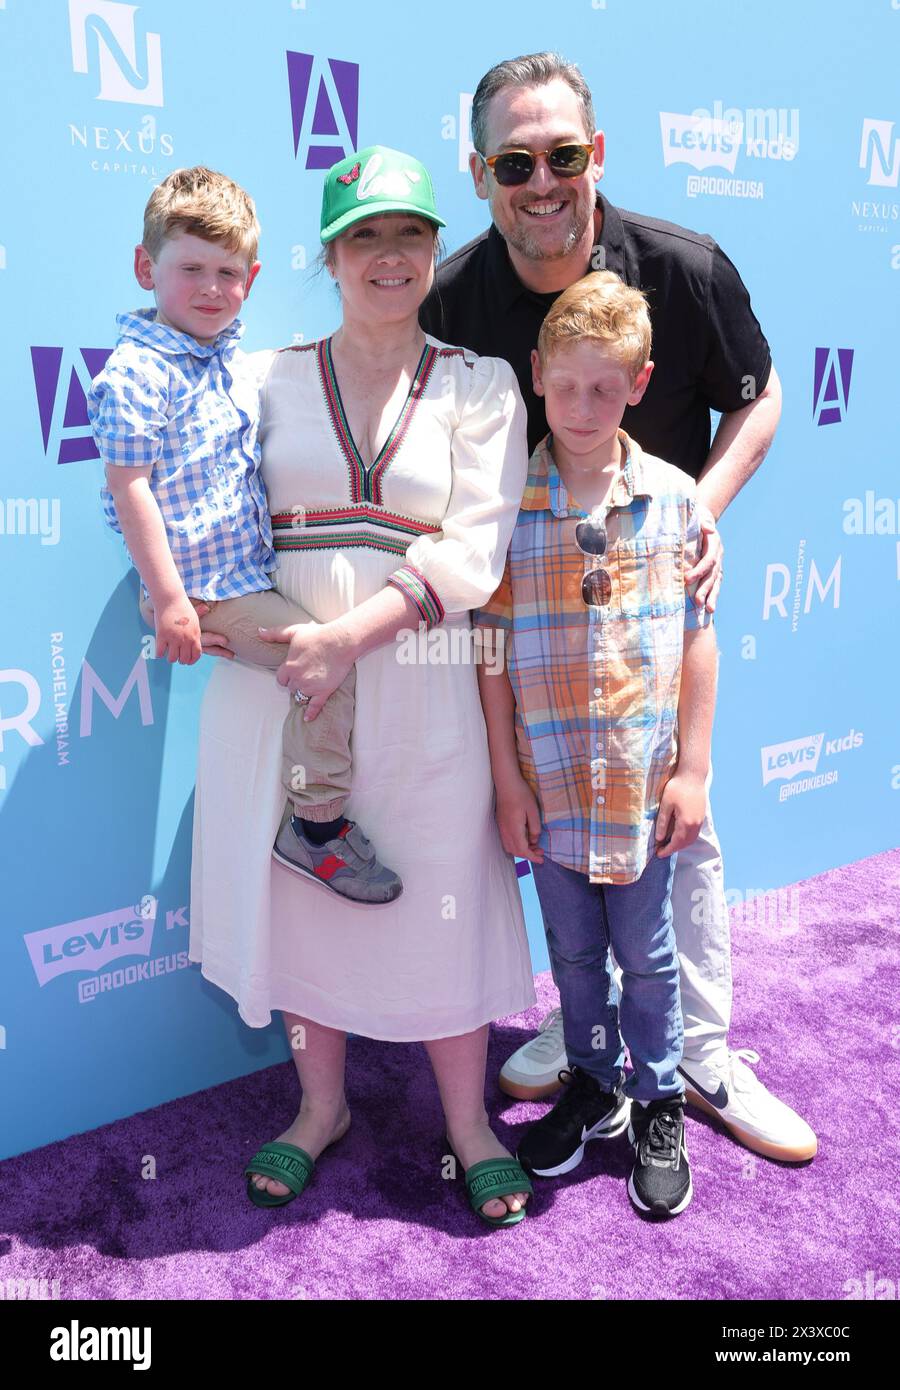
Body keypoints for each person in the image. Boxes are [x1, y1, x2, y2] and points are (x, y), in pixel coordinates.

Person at [420, 51, 817, 1164]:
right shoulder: (454, 299)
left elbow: (762, 390)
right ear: (481, 171)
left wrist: (703, 517)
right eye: (513, 161)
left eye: (560, 155)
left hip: (656, 618)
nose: (539, 182)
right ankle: (588, 1038)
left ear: (595, 153)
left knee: (680, 833)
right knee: (553, 835)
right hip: (529, 620)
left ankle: (702, 1056)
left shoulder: (685, 269)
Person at [187, 146, 537, 1225]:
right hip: (285, 682)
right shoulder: (260, 374)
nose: (390, 256)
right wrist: (223, 617)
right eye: (367, 236)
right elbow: (195, 506)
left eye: (411, 234)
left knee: (438, 890)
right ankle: (319, 1107)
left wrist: (351, 637)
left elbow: (474, 552)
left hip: (418, 679)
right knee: (302, 896)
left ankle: (469, 1123)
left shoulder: (481, 385)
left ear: (437, 247)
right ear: (331, 254)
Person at [87, 165, 400, 906]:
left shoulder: (228, 354)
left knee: (329, 662)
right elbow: (129, 489)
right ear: (145, 268)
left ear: (252, 280)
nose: (210, 288)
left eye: (228, 273)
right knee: (329, 665)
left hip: (242, 579)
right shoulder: (134, 372)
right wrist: (170, 603)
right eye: (190, 268)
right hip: (203, 592)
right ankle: (317, 830)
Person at [476, 270, 716, 1216]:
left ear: (641, 384)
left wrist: (694, 768)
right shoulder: (503, 510)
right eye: (567, 384)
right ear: (536, 374)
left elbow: (700, 643)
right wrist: (505, 777)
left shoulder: (677, 500)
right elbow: (487, 654)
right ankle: (593, 1080)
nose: (583, 405)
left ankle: (659, 1095)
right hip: (551, 781)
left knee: (651, 959)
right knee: (572, 957)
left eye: (605, 388)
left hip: (642, 789)